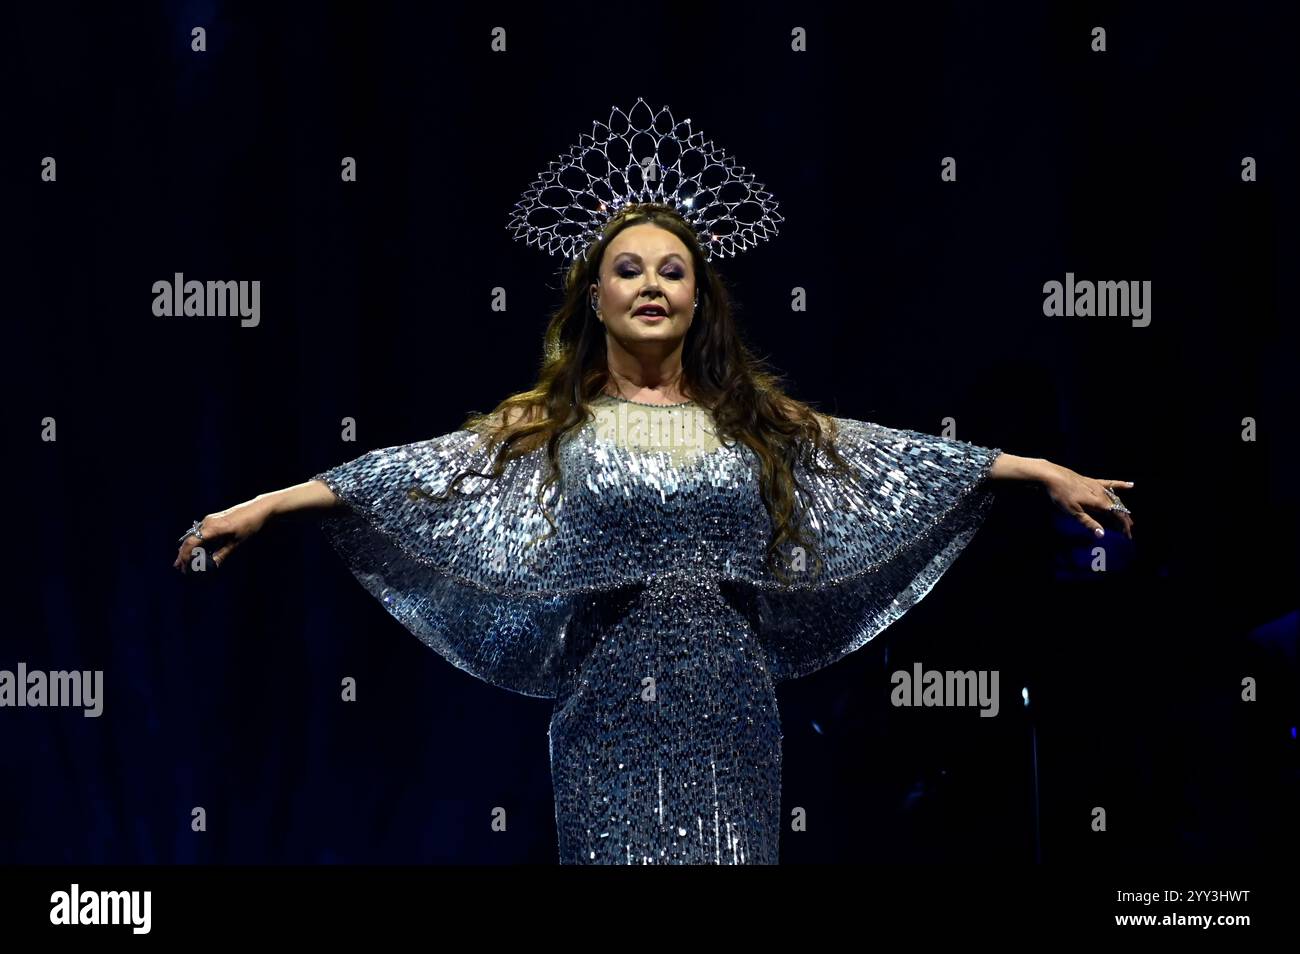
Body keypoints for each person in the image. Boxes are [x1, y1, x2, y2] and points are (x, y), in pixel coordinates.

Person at [173, 102, 1133, 864]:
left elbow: (894, 456)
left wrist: (1042, 471)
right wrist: (262, 508)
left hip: (732, 702)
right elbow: (411, 474)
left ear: (697, 298)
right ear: (594, 297)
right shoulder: (549, 421)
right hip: (606, 705)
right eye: (627, 270)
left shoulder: (752, 418)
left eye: (673, 272)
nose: (651, 285)